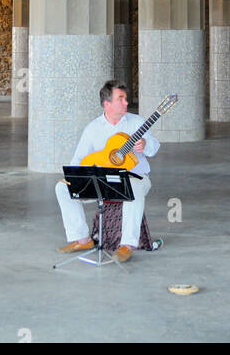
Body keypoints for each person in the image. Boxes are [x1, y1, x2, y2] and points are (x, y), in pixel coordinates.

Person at [55, 80, 160, 263]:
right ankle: (82, 239)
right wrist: (74, 179)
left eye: (126, 99)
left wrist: (145, 145)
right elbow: (78, 159)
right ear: (107, 104)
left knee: (132, 188)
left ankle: (126, 245)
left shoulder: (137, 122)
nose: (126, 102)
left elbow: (154, 147)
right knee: (62, 188)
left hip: (135, 177)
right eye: (121, 99)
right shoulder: (93, 128)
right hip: (102, 180)